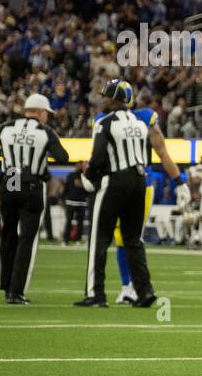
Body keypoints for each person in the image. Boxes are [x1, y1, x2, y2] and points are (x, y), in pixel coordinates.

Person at [76, 80, 178, 308]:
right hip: (139, 181)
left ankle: (96, 294)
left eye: (106, 97)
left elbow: (99, 158)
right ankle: (144, 291)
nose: (102, 100)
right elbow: (148, 155)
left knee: (99, 239)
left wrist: (88, 174)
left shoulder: (104, 123)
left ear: (114, 99)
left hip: (115, 182)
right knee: (133, 240)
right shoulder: (141, 123)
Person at [0, 94, 69, 304]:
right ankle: (16, 291)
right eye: (46, 114)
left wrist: (6, 153)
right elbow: (63, 157)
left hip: (12, 178)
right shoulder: (45, 132)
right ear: (41, 112)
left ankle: (5, 284)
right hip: (31, 182)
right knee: (27, 238)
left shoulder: (5, 127)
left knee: (8, 233)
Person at [62, 162, 90, 244]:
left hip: (80, 202)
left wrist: (63, 197)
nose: (80, 165)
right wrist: (64, 198)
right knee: (70, 222)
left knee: (77, 222)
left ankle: (75, 239)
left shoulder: (85, 176)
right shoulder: (73, 176)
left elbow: (66, 188)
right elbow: (66, 188)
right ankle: (66, 239)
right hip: (72, 202)